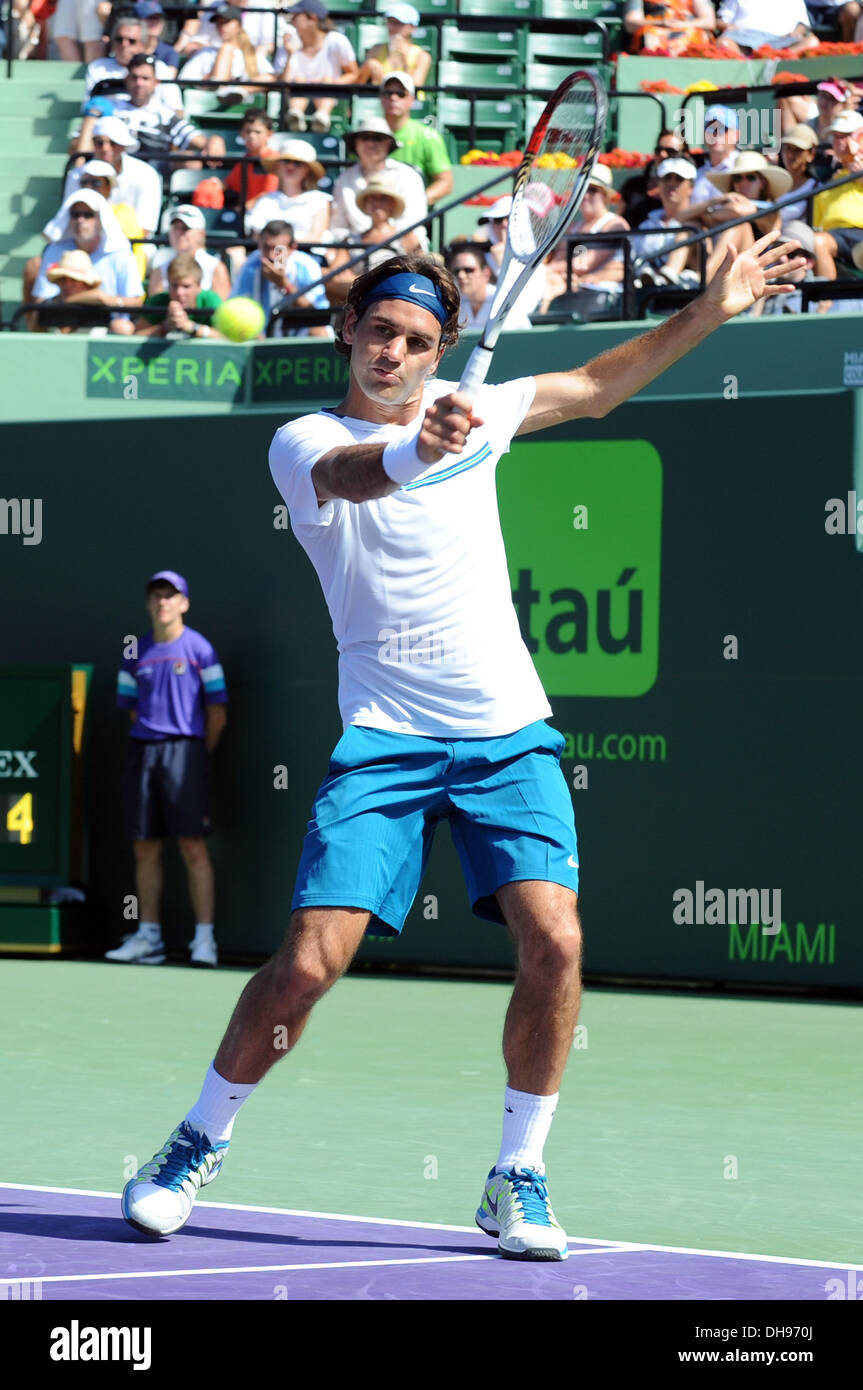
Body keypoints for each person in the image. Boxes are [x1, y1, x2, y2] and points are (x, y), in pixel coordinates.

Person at [119, 235, 805, 1253]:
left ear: (440, 353)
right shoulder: (300, 438)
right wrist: (415, 451)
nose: (394, 353)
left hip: (505, 733)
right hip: (385, 741)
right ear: (347, 330)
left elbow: (593, 386)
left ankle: (515, 1171)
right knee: (307, 963)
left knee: (557, 939)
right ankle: (195, 1137)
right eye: (381, 332)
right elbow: (355, 476)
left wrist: (705, 313)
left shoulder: (480, 412)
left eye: (417, 341)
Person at [107, 571, 228, 969]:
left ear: (184, 604)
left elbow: (217, 712)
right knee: (145, 847)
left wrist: (194, 755)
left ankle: (204, 940)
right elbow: (132, 711)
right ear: (149, 604)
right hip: (143, 753)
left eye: (170, 596)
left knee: (193, 846)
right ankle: (150, 937)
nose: (162, 602)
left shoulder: (200, 649)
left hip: (186, 754)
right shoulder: (133, 653)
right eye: (156, 596)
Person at [24, 189, 144, 326]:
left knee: (122, 327)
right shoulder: (55, 249)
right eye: (75, 214)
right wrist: (78, 299)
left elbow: (136, 302)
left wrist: (105, 300)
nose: (80, 220)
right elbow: (42, 300)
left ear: (101, 219)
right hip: (62, 322)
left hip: (107, 325)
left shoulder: (121, 253)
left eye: (88, 215)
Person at [100, 53, 226, 178]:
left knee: (191, 160)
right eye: (134, 77)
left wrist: (214, 140)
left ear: (156, 82)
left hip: (154, 172)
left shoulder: (164, 113)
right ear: (126, 80)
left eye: (145, 78)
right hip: (113, 168)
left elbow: (191, 137)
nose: (139, 83)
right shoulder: (111, 108)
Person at [541, 165, 630, 313]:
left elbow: (582, 265)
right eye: (582, 189)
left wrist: (544, 271)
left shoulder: (615, 225)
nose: (585, 195)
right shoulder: (573, 227)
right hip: (572, 286)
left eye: (592, 190)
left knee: (548, 285)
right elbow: (561, 261)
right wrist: (552, 273)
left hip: (602, 294)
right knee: (548, 284)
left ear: (605, 196)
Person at [330, 115, 428, 246]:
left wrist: (379, 236)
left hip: (402, 249)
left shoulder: (408, 176)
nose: (371, 143)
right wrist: (355, 243)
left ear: (388, 144)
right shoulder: (343, 180)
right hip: (355, 252)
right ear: (356, 144)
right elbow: (338, 227)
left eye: (378, 138)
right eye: (365, 138)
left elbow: (413, 223)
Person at [326, 174, 425, 303]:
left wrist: (356, 280)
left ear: (392, 203)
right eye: (372, 198)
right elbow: (334, 276)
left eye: (383, 198)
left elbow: (420, 271)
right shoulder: (351, 240)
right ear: (366, 203)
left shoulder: (406, 235)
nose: (377, 203)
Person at [46, 158, 148, 281]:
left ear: (109, 187)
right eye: (84, 182)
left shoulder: (125, 213)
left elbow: (135, 256)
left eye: (96, 183)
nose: (88, 187)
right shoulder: (69, 212)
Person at [69, 115, 162, 240]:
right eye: (99, 142)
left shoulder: (147, 175)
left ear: (124, 145)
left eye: (113, 143)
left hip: (132, 245)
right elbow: (70, 222)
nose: (105, 148)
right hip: (85, 242)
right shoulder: (76, 175)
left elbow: (145, 229)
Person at [232, 218, 330, 336]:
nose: (270, 255)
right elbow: (237, 304)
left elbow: (316, 313)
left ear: (292, 248)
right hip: (259, 335)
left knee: (318, 332)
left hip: (299, 334)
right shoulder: (251, 264)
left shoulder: (307, 266)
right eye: (266, 247)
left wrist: (284, 284)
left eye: (277, 250)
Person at [275, 0, 358, 134]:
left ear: (312, 18)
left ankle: (322, 117)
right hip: (295, 95)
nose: (292, 19)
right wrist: (290, 55)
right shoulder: (288, 44)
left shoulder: (336, 40)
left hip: (328, 94)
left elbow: (353, 74)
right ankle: (295, 115)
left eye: (296, 15)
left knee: (325, 81)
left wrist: (333, 83)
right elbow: (283, 82)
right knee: (299, 81)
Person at [379, 71, 453, 207]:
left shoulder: (428, 136)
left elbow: (445, 182)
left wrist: (416, 203)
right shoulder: (368, 135)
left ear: (411, 100)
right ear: (381, 98)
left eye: (401, 94)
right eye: (388, 93)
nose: (394, 98)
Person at [245, 136, 332, 242]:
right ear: (278, 166)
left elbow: (315, 237)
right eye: (286, 161)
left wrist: (284, 246)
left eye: (298, 163)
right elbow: (257, 235)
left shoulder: (319, 200)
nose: (290, 167)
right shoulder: (265, 200)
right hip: (270, 255)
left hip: (304, 255)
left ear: (307, 170)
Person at [632, 155, 703, 285]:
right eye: (667, 178)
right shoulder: (645, 226)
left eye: (679, 179)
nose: (672, 183)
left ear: (691, 187)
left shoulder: (699, 223)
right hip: (645, 297)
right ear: (659, 184)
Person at [84, 13, 181, 107]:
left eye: (131, 41)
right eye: (119, 39)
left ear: (144, 44)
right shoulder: (98, 67)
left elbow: (176, 108)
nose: (124, 45)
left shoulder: (160, 69)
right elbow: (88, 106)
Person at [178, 4, 275, 97]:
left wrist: (238, 88)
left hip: (244, 103)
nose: (222, 27)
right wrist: (209, 78)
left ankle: (232, 92)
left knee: (268, 78)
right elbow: (185, 79)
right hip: (210, 100)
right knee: (226, 48)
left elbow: (270, 78)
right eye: (219, 23)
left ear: (239, 25)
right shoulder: (206, 52)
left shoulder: (252, 53)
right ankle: (224, 88)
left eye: (226, 22)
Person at [474, 195, 546, 319]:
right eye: (498, 220)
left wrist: (502, 266)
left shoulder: (537, 267)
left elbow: (521, 310)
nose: (503, 225)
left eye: (509, 218)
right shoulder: (478, 260)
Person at [812, 110, 863, 279]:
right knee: (816, 241)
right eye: (835, 136)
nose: (838, 141)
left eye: (845, 135)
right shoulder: (828, 183)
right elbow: (818, 226)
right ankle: (825, 302)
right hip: (834, 238)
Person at [38, 249, 136, 334]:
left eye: (74, 280)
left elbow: (99, 297)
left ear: (87, 284)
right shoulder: (49, 306)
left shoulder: (99, 306)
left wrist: (67, 300)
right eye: (63, 280)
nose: (67, 285)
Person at [445, 240, 535, 332]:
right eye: (456, 272)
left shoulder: (503, 300)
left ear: (486, 273)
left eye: (468, 270)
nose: (461, 276)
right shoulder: (453, 306)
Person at [147, 205, 232, 298]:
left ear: (201, 233)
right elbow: (156, 309)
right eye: (176, 228)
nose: (179, 233)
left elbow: (220, 307)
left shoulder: (216, 269)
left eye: (185, 228)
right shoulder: (159, 271)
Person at [619, 130, 691, 228]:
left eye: (671, 151)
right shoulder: (633, 185)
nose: (663, 154)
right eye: (659, 150)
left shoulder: (692, 186)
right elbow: (619, 218)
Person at [357, 3, 431, 89]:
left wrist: (404, 59)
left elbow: (416, 88)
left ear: (412, 28)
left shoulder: (422, 56)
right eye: (391, 21)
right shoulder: (376, 50)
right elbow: (358, 84)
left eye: (399, 23)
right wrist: (368, 67)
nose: (393, 27)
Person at [222, 108, 279, 215]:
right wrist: (215, 184)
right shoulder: (245, 159)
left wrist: (246, 207)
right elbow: (228, 184)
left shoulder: (273, 160)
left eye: (257, 132)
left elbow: (270, 193)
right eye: (248, 132)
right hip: (248, 212)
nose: (252, 136)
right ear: (242, 134)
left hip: (268, 213)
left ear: (269, 135)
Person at [715, 0, 818, 53]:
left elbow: (803, 24)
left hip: (782, 42)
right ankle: (747, 65)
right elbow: (720, 21)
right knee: (723, 43)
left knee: (812, 42)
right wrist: (727, 26)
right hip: (744, 40)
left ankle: (778, 62)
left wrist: (796, 32)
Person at [623, 0, 717, 54]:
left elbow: (709, 21)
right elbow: (631, 24)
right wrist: (661, 23)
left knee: (695, 34)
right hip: (656, 28)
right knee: (651, 35)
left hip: (689, 28)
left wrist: (683, 25)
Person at [778, 122, 820, 226]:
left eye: (798, 150)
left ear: (811, 154)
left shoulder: (818, 189)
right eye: (787, 148)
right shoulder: (771, 184)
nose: (790, 155)